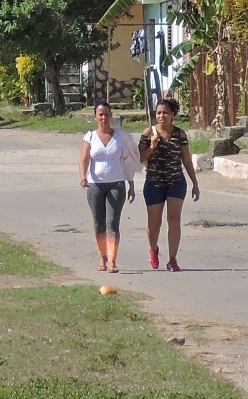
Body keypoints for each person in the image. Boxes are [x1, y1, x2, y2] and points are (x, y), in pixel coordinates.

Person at [138, 96, 201, 271]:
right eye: (158, 113)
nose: (161, 116)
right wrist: (151, 147)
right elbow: (139, 158)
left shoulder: (180, 134)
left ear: (172, 114)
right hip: (154, 183)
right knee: (154, 222)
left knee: (174, 220)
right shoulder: (148, 133)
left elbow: (187, 160)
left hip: (176, 182)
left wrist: (195, 183)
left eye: (165, 112)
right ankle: (153, 249)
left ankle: (172, 259)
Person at [79, 103, 136, 273]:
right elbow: (84, 159)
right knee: (99, 224)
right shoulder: (90, 137)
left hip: (117, 184)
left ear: (111, 116)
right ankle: (102, 258)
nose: (104, 118)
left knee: (112, 223)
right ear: (95, 117)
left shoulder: (120, 137)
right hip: (95, 185)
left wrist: (131, 185)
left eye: (107, 114)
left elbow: (128, 162)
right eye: (100, 115)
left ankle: (112, 260)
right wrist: (83, 176)